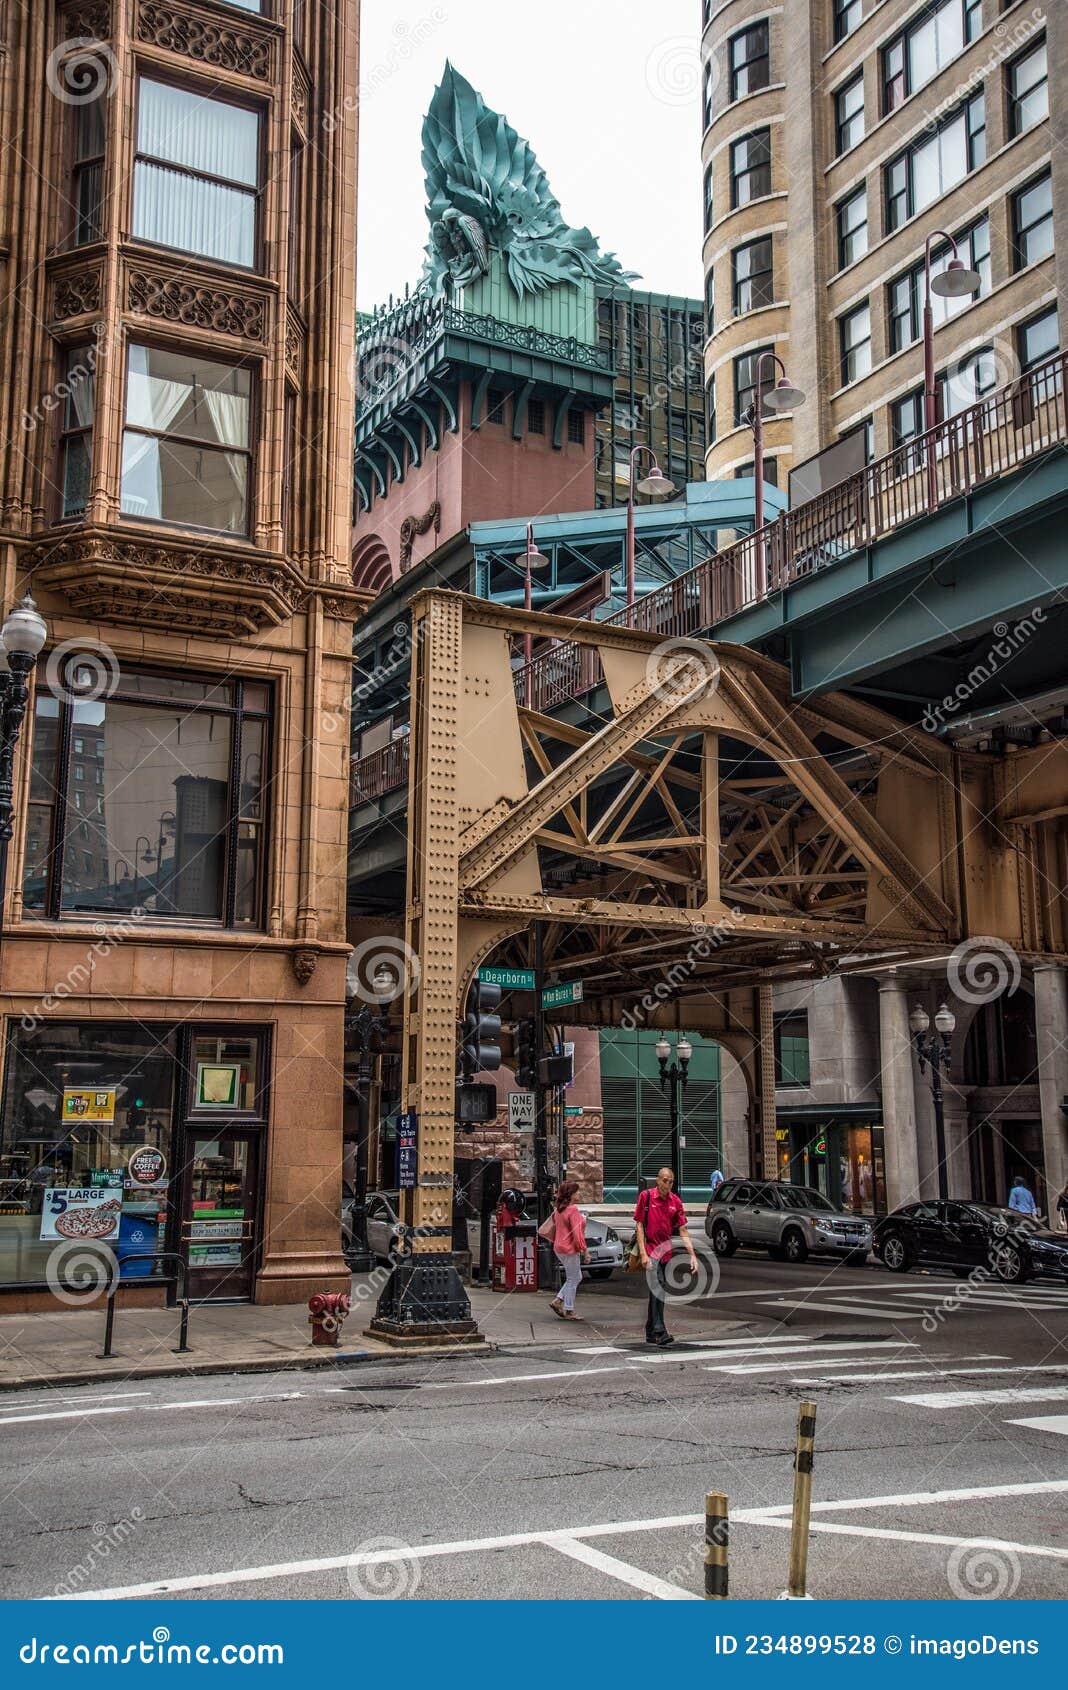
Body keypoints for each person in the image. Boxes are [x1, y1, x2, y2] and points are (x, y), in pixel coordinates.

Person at [634, 1167, 698, 1347]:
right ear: (658, 1180)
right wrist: (643, 1253)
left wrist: (692, 1255)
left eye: (671, 1181)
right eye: (664, 1180)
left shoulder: (675, 1201)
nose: (667, 1184)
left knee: (658, 1289)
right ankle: (659, 1331)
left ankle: (650, 1330)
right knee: (659, 1287)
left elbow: (683, 1229)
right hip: (651, 1250)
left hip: (666, 1253)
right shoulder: (646, 1197)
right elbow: (639, 1225)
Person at [548, 1179, 588, 1321]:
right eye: (577, 1192)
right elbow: (577, 1235)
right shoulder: (573, 1210)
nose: (579, 1194)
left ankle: (558, 1300)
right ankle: (569, 1310)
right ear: (570, 1195)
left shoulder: (559, 1209)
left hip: (559, 1247)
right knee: (573, 1278)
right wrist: (585, 1251)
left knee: (576, 1276)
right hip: (569, 1248)